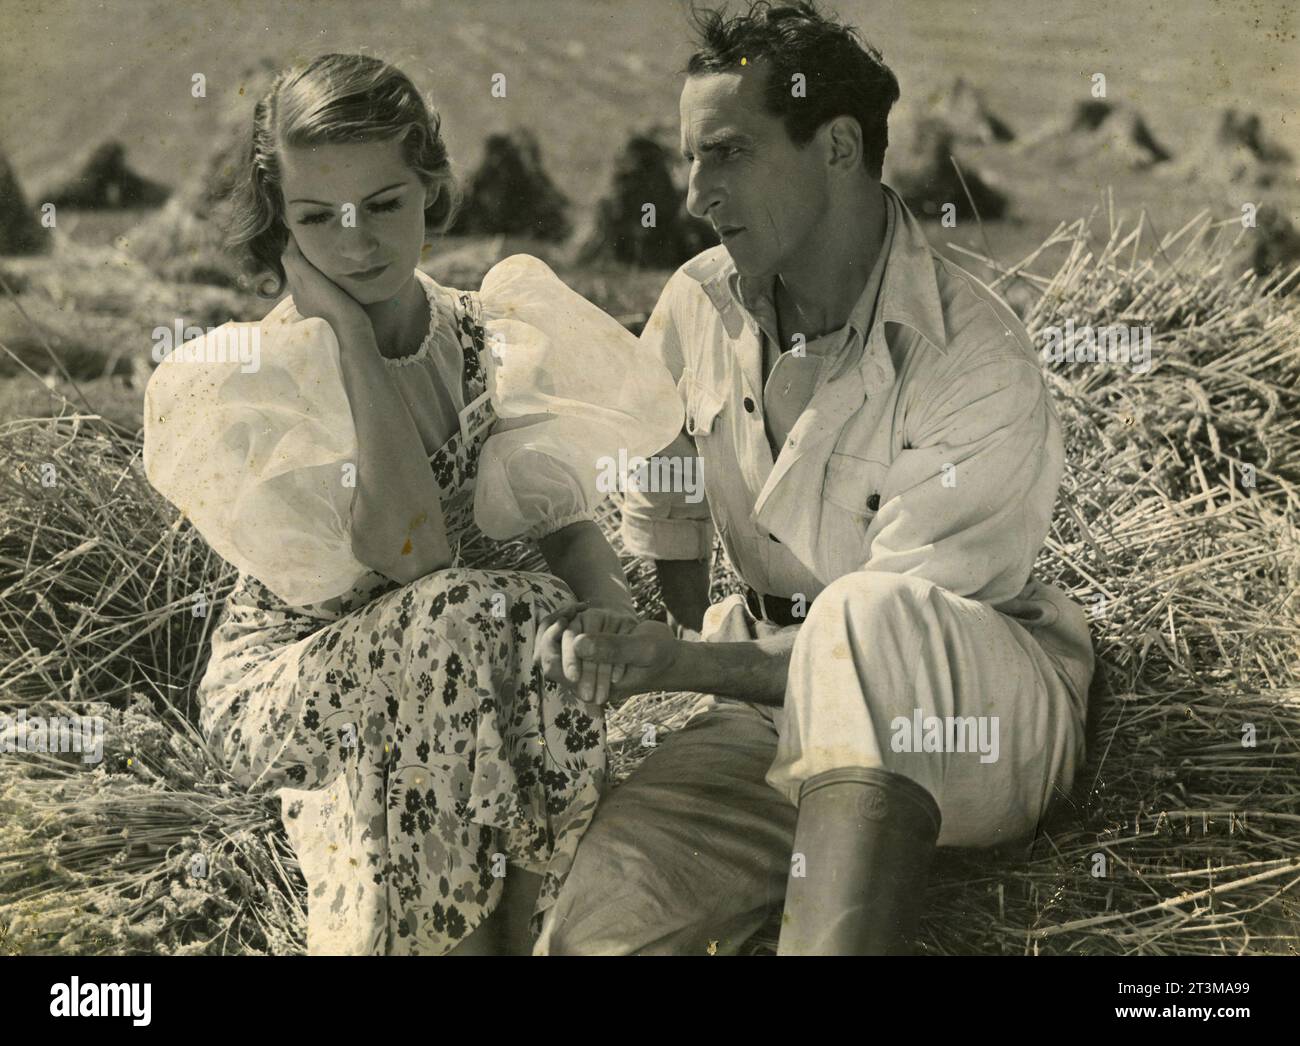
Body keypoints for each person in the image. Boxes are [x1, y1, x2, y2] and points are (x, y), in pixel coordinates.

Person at [535, 1, 1095, 956]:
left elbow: (876, 655)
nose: (694, 194)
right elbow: (661, 491)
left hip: (971, 722)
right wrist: (659, 635)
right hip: (765, 707)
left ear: (838, 146)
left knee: (860, 617)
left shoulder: (974, 356)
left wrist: (682, 666)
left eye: (728, 153)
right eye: (688, 159)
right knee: (597, 923)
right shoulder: (697, 302)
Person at [142, 53, 681, 955]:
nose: (356, 246)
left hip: (460, 661)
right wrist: (352, 340)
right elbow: (413, 553)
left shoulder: (484, 333)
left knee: (547, 624)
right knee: (472, 610)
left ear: (433, 188)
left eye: (385, 205)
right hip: (296, 678)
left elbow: (565, 529)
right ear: (283, 225)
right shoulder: (271, 371)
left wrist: (624, 654)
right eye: (319, 218)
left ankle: (531, 938)